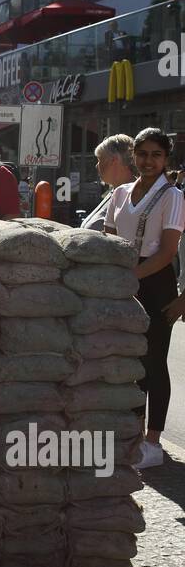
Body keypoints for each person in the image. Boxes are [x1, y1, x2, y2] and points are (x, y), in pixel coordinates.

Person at [104, 128, 185, 470]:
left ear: (166, 159)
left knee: (153, 363)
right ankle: (134, 432)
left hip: (154, 284)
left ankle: (153, 440)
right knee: (129, 363)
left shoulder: (173, 197)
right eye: (143, 154)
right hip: (123, 280)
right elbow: (108, 238)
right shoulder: (120, 193)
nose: (149, 161)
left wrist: (129, 278)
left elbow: (167, 253)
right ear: (133, 156)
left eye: (156, 155)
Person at [81, 135, 137, 232]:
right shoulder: (114, 191)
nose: (97, 165)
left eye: (100, 159)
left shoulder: (133, 195)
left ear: (114, 161)